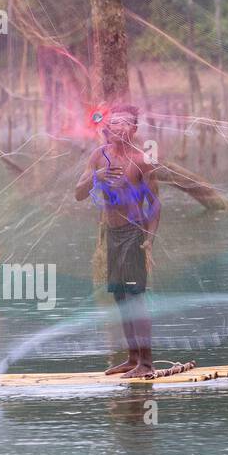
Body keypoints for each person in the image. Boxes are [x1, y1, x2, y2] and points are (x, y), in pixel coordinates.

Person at [74, 102, 161, 377]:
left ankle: (146, 364)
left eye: (124, 122)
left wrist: (149, 238)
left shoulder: (141, 160)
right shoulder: (98, 157)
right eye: (114, 121)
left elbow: (155, 204)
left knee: (135, 298)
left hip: (134, 234)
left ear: (134, 129)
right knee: (121, 299)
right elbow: (78, 193)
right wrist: (96, 177)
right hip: (112, 236)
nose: (117, 125)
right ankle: (132, 358)